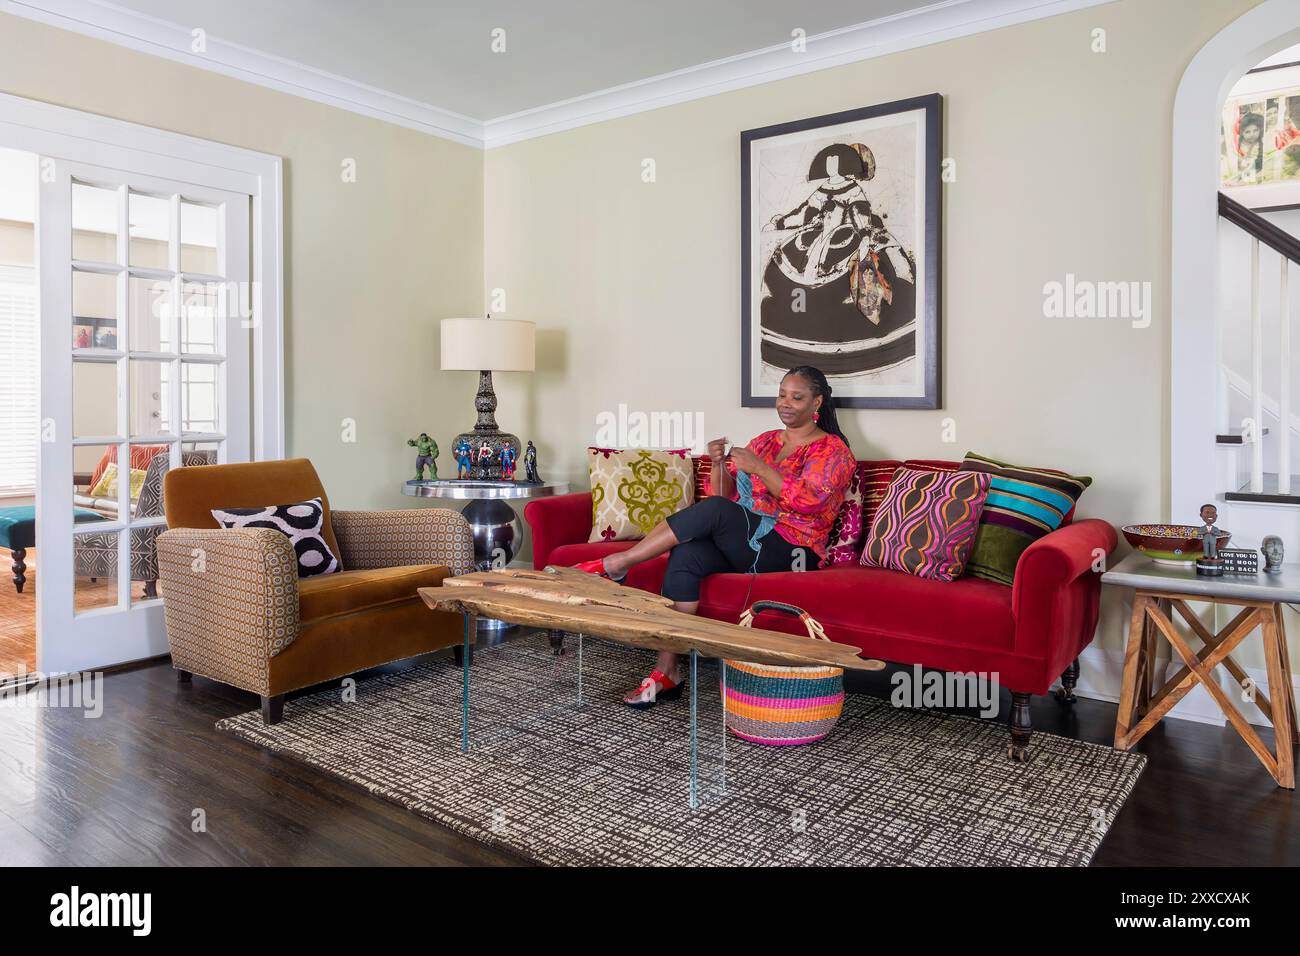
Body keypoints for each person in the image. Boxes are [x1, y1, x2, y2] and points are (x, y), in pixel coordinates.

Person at [574, 365, 855, 708]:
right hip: (749, 542)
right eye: (782, 394)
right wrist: (719, 463)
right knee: (687, 555)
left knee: (714, 515)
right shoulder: (765, 441)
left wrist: (760, 468)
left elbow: (811, 503)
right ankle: (667, 672)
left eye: (797, 397)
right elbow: (724, 496)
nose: (785, 403)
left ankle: (619, 562)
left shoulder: (833, 450)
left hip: (793, 549)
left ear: (817, 402)